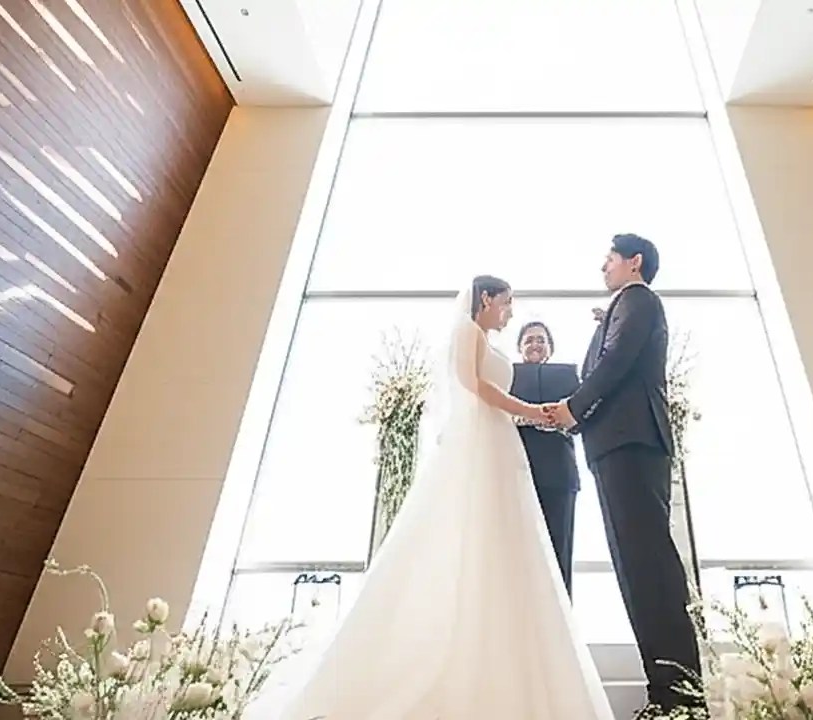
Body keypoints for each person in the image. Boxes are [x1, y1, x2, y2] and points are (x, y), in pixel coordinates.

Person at [280, 276, 615, 720]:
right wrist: (532, 411)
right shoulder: (467, 332)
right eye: (507, 303)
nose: (511, 311)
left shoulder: (489, 340)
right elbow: (475, 386)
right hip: (482, 444)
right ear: (486, 299)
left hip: (501, 446)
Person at [545, 234, 705, 715]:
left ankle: (682, 699)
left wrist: (572, 409)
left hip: (632, 443)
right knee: (636, 571)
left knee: (649, 569)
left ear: (634, 262)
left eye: (610, 259)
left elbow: (616, 362)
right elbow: (610, 357)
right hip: (617, 447)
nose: (603, 267)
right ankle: (666, 693)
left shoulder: (639, 299)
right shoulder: (623, 307)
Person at [510, 321, 582, 596]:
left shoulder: (568, 375)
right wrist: (530, 417)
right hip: (517, 471)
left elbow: (580, 418)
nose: (535, 344)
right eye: (529, 340)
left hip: (559, 473)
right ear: (519, 348)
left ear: (550, 347)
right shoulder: (509, 376)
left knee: (559, 551)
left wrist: (560, 421)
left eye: (541, 339)